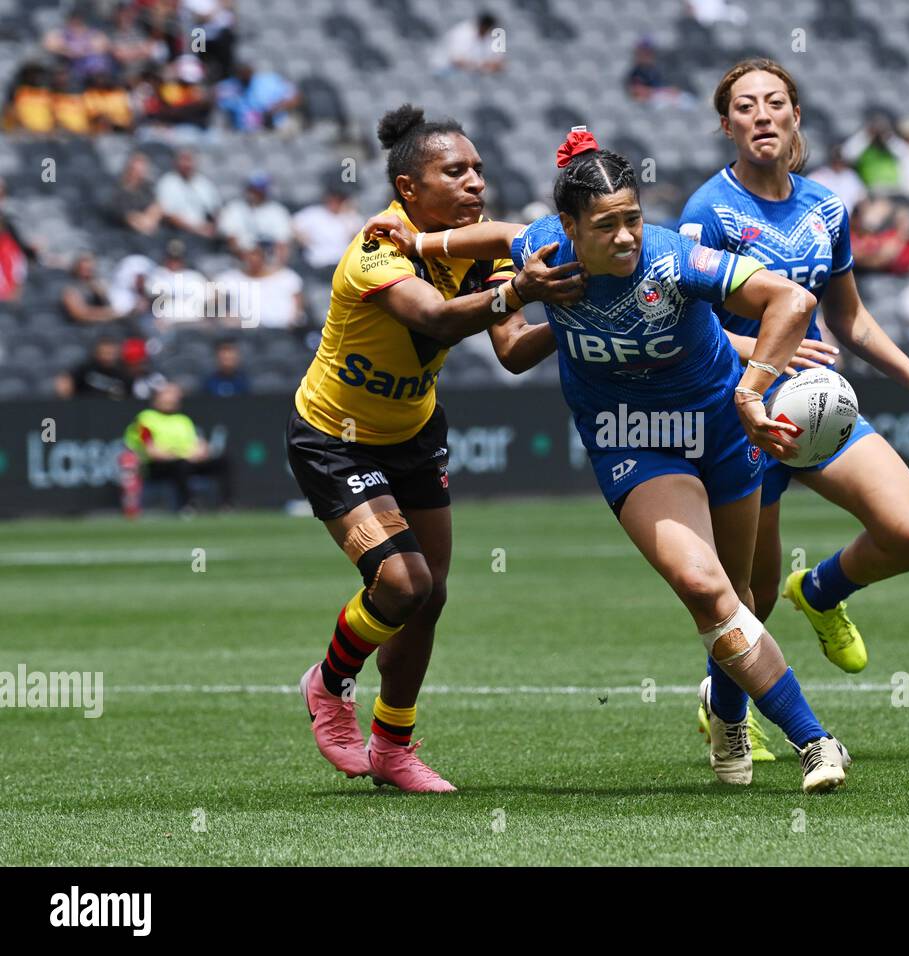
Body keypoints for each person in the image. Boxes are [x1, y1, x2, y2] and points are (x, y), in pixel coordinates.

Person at [367, 127, 854, 794]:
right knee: (703, 587)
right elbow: (494, 238)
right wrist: (418, 243)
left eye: (632, 219)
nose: (625, 237)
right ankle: (817, 743)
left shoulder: (674, 259)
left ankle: (727, 715)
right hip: (631, 440)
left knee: (743, 597)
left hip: (718, 427)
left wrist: (752, 387)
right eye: (606, 226)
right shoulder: (542, 250)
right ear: (567, 226)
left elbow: (792, 300)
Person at [287, 105, 585, 793]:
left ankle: (393, 746)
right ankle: (328, 682)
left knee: (430, 596)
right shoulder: (376, 248)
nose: (475, 181)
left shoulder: (470, 248)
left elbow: (511, 351)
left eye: (478, 169)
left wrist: (571, 313)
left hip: (414, 434)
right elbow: (438, 318)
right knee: (400, 583)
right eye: (455, 171)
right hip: (337, 438)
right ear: (408, 188)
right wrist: (521, 287)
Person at [678, 59, 909, 761]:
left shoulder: (827, 207)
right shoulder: (706, 212)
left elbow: (852, 319)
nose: (762, 115)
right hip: (744, 415)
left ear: (796, 114)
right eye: (746, 107)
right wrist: (762, 350)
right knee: (751, 593)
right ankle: (727, 712)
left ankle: (826, 589)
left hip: (820, 407)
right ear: (727, 125)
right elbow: (683, 323)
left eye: (775, 102)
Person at [124, 382, 231, 510]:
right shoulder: (145, 419)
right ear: (157, 398)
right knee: (181, 465)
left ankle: (227, 505)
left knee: (223, 461)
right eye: (167, 394)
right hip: (157, 466)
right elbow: (151, 450)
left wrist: (199, 453)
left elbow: (200, 445)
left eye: (173, 395)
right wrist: (182, 456)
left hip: (186, 462)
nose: (171, 398)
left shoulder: (183, 420)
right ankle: (187, 506)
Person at [214, 242, 303, 329]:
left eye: (256, 254)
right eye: (247, 255)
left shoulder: (287, 277)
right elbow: (214, 307)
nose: (252, 259)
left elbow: (298, 308)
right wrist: (225, 318)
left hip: (281, 332)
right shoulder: (227, 278)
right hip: (242, 332)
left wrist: (292, 324)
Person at [217, 173, 293, 261]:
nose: (254, 193)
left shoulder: (278, 211)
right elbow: (231, 240)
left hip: (269, 260)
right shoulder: (234, 208)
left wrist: (274, 267)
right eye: (252, 189)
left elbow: (282, 244)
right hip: (239, 259)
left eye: (258, 190)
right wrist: (250, 260)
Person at [292, 185, 363, 271]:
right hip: (317, 262)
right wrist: (303, 239)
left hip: (341, 264)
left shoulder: (351, 217)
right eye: (332, 199)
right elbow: (292, 224)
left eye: (339, 200)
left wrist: (349, 214)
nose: (334, 203)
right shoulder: (314, 213)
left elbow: (358, 240)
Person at [156, 149, 221, 239]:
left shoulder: (204, 183)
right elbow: (168, 215)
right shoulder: (168, 182)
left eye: (189, 160)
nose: (186, 164)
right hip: (177, 233)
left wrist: (212, 228)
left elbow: (215, 210)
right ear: (176, 162)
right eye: (183, 160)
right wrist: (196, 229)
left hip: (204, 233)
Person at [54, 335, 135, 399]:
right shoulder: (85, 370)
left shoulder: (124, 375)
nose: (107, 357)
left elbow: (129, 398)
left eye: (110, 353)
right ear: (97, 353)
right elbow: (66, 383)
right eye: (104, 353)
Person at [62, 253, 126, 325]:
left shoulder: (95, 284)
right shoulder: (70, 287)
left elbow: (109, 302)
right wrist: (109, 313)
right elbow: (80, 314)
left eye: (89, 269)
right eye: (84, 269)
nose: (87, 272)